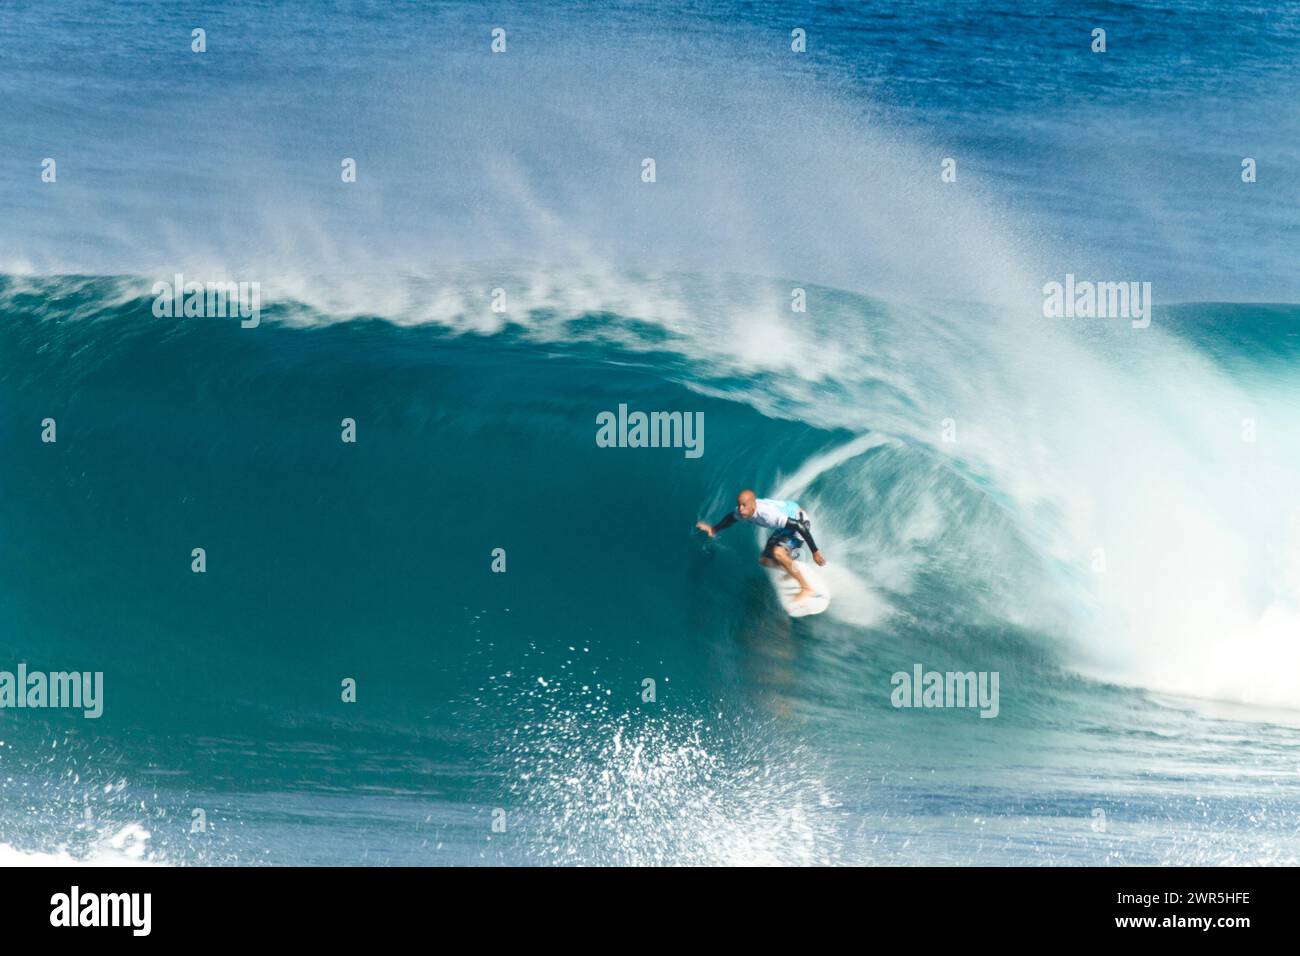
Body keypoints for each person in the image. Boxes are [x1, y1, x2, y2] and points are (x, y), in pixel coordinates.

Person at [696, 489, 826, 602]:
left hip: (800, 522)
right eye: (739, 505)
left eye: (744, 505)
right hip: (785, 525)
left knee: (778, 553)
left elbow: (800, 526)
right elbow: (731, 518)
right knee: (764, 561)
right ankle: (791, 567)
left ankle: (806, 588)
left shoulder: (768, 515)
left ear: (753, 506)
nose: (740, 509)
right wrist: (714, 530)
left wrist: (815, 552)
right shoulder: (743, 511)